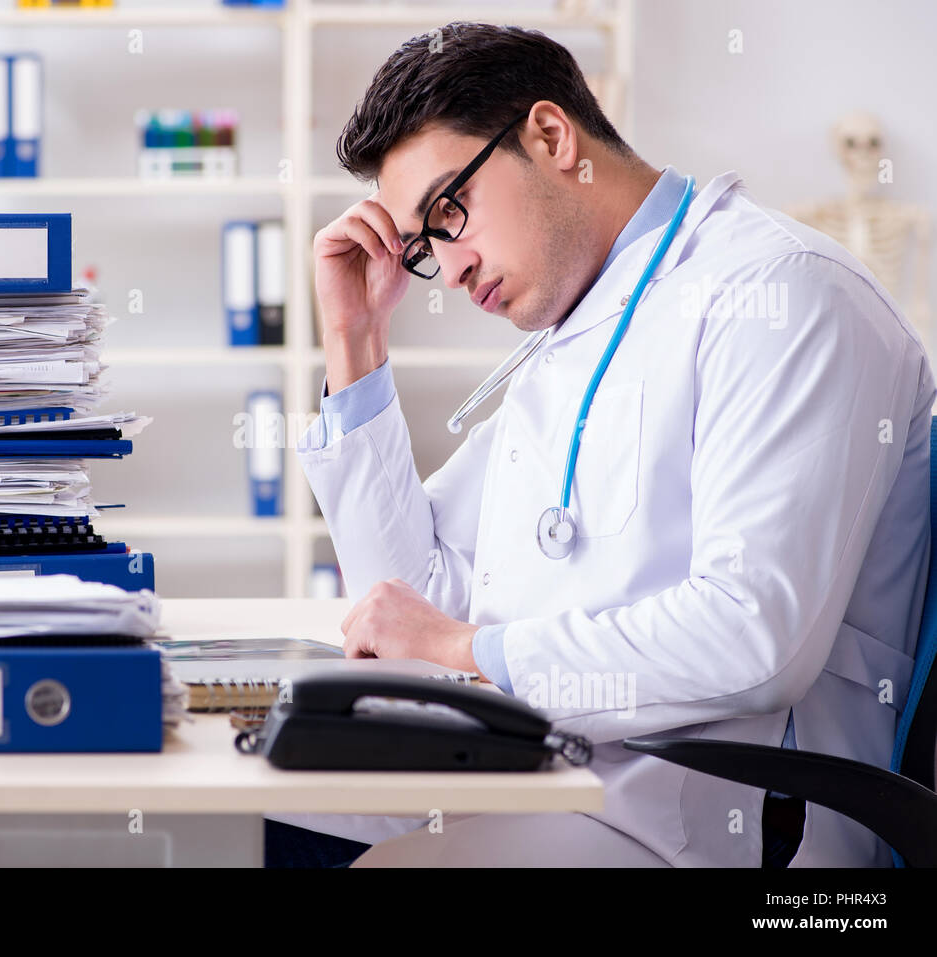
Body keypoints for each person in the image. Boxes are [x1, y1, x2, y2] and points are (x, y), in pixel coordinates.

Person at [266, 21, 935, 867]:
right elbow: (413, 597)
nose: (450, 265)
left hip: (715, 827)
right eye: (424, 244)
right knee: (263, 815)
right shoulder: (579, 327)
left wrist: (466, 650)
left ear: (552, 136)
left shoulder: (783, 294)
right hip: (556, 773)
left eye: (449, 211)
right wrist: (354, 339)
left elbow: (752, 638)